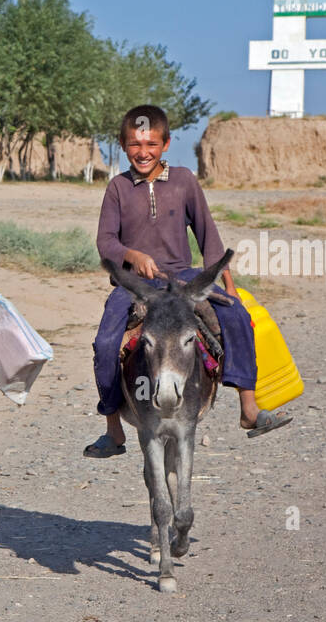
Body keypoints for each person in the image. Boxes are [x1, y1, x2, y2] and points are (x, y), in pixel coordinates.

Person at [85, 105, 292, 458]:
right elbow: (106, 242)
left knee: (238, 316)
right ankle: (113, 428)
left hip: (183, 275)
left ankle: (249, 408)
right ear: (122, 145)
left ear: (166, 144)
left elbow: (208, 235)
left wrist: (228, 286)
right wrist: (133, 257)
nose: (143, 152)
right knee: (106, 342)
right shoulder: (117, 188)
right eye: (135, 144)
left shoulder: (184, 181)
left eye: (151, 143)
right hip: (134, 284)